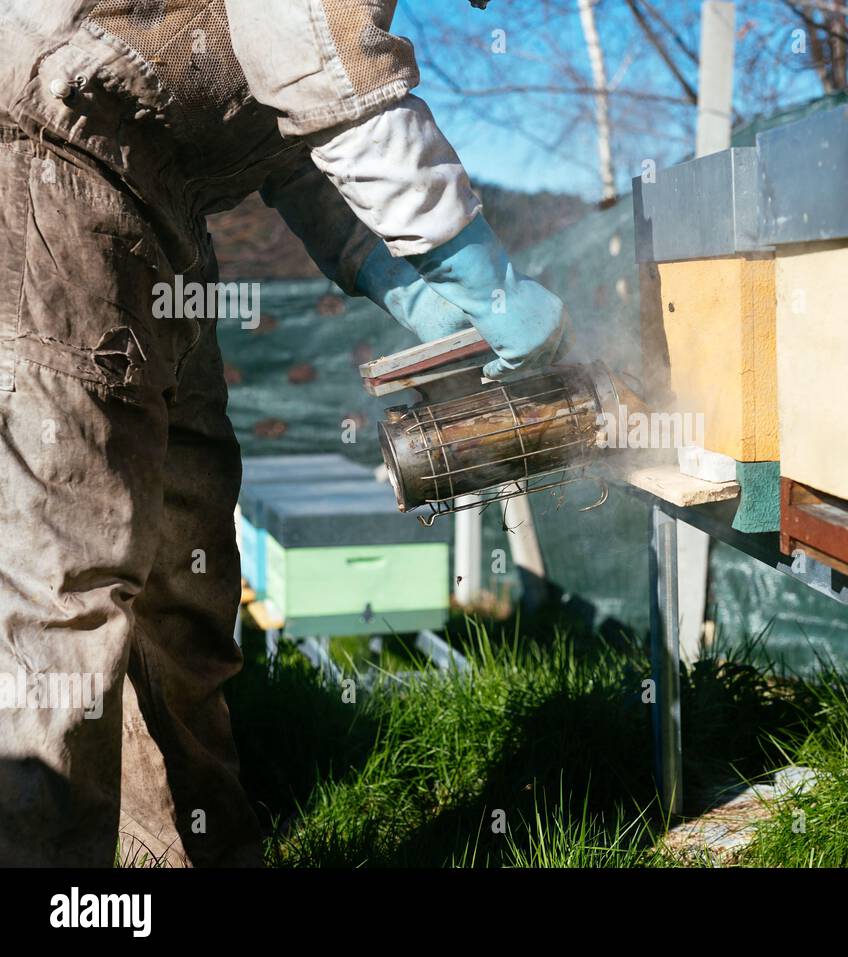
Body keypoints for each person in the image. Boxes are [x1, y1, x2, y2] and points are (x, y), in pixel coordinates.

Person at [0, 0, 564, 866]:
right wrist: (478, 268)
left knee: (183, 591)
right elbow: (318, 51)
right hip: (50, 173)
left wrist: (396, 278)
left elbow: (297, 147)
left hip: (160, 222)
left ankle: (192, 854)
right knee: (67, 594)